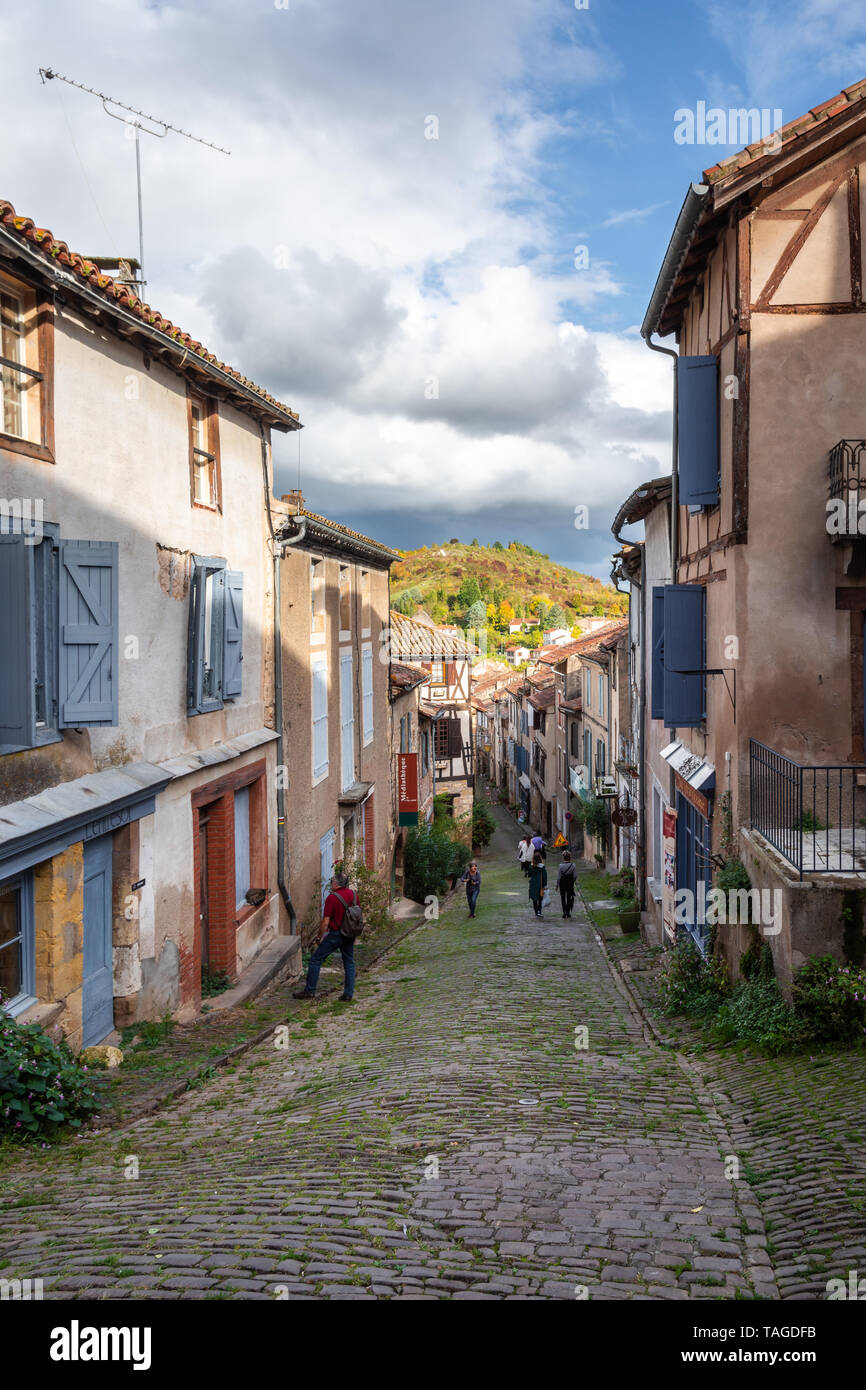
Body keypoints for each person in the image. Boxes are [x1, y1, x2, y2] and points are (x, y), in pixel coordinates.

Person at [293, 871, 358, 1002]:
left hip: (336, 934)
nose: (331, 884)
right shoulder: (353, 895)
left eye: (332, 881)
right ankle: (348, 994)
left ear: (336, 883)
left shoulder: (332, 898)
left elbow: (326, 921)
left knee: (316, 959)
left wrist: (319, 937)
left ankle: (309, 991)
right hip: (349, 933)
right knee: (349, 963)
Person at [528, 851, 548, 918]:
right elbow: (545, 876)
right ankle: (539, 911)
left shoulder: (531, 866)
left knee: (534, 899)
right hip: (540, 884)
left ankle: (536, 912)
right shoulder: (542, 867)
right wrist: (545, 884)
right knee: (540, 898)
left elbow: (529, 874)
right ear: (540, 858)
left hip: (533, 884)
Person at [557, 850, 576, 919]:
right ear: (570, 858)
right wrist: (572, 881)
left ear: (563, 858)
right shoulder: (573, 866)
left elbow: (559, 877)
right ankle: (568, 912)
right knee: (569, 897)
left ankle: (564, 911)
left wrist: (557, 885)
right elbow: (575, 876)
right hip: (570, 883)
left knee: (562, 897)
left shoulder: (560, 866)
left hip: (562, 883)